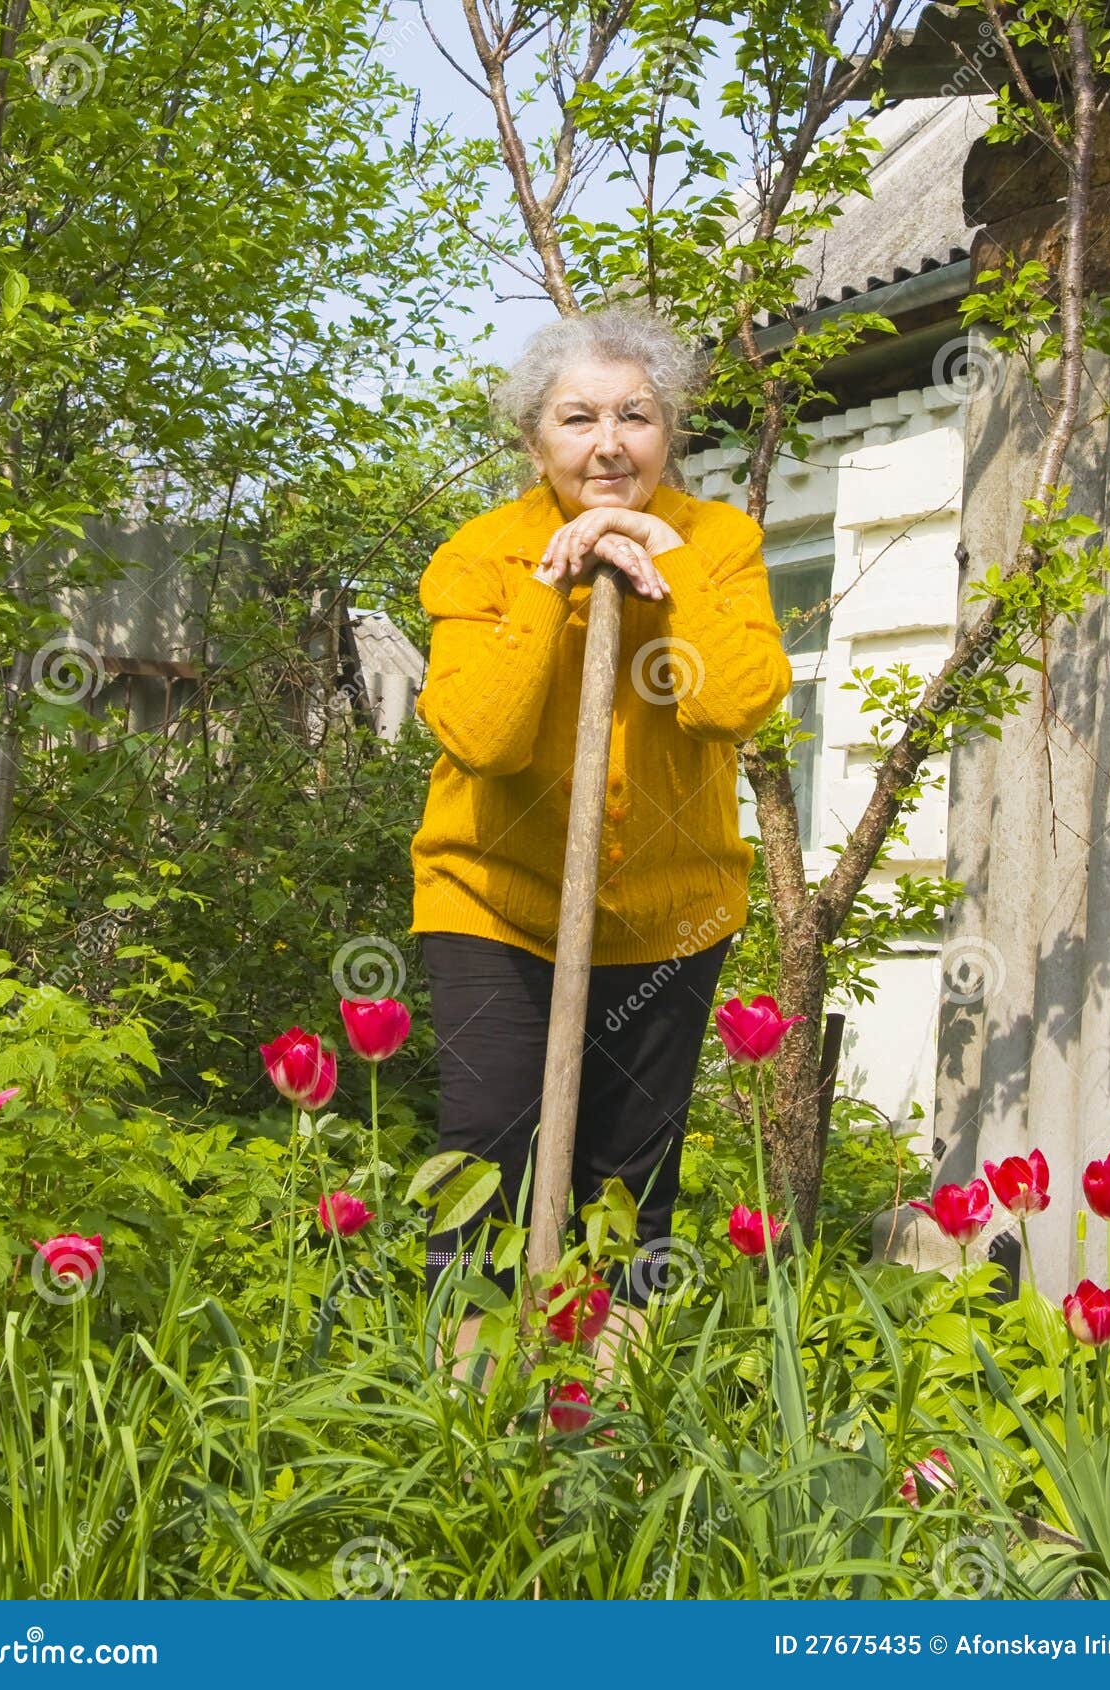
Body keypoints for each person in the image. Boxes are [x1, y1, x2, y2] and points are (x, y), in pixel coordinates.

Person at [408, 304, 792, 1389]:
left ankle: (607, 1411)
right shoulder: (481, 555)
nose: (609, 442)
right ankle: (470, 1406)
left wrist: (671, 565)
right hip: (493, 893)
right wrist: (555, 583)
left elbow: (733, 707)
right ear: (536, 441)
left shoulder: (723, 543)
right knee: (488, 1144)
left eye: (637, 415)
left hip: (668, 907)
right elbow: (479, 735)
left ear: (671, 432)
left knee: (631, 1171)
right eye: (578, 419)